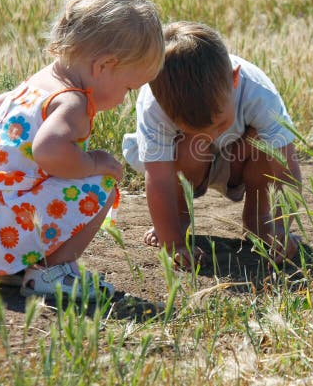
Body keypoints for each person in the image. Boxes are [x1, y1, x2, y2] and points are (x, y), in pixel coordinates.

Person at [0, 0, 164, 300]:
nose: (125, 99)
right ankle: (52, 272)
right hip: (4, 221)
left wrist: (17, 167)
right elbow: (48, 149)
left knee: (49, 178)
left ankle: (13, 271)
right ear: (104, 66)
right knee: (102, 182)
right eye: (129, 87)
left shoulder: (34, 84)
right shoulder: (72, 101)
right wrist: (94, 162)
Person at [122, 21, 301, 267]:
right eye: (196, 129)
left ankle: (258, 217)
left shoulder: (259, 93)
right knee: (186, 147)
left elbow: (286, 169)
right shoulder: (155, 103)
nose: (213, 134)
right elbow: (159, 178)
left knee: (266, 145)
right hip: (187, 161)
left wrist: (282, 226)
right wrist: (171, 240)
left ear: (234, 79)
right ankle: (179, 217)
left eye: (219, 122)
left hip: (241, 156)